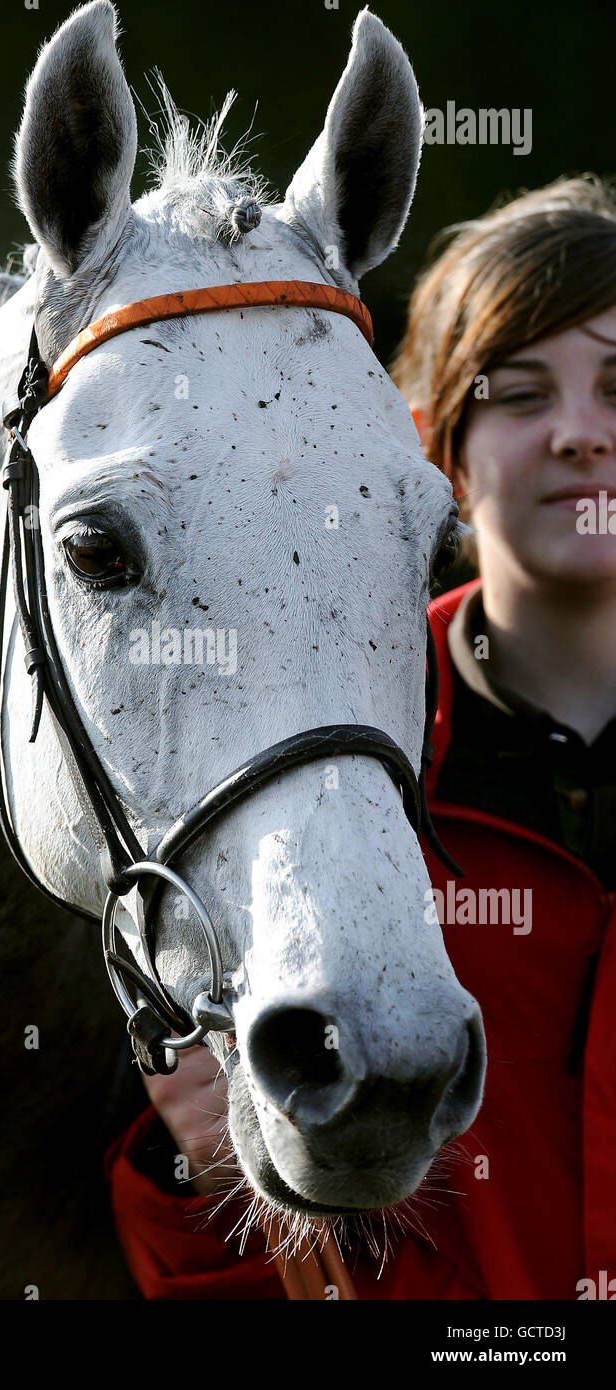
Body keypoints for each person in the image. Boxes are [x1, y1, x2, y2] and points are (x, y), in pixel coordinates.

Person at [103, 175, 616, 1300]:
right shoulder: (296, 767)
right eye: (521, 393)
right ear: (434, 451)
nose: (580, 435)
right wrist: (207, 1178)